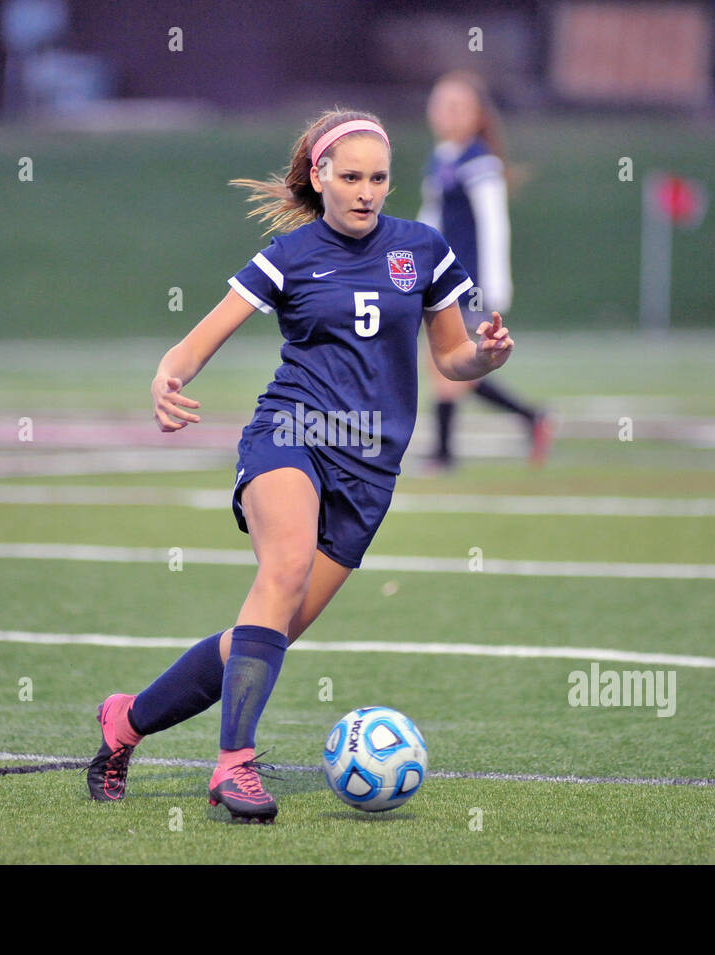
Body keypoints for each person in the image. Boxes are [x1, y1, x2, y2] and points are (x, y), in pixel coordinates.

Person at [87, 108, 515, 823]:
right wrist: (168, 377)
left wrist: (486, 355)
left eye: (378, 177)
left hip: (370, 472)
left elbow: (451, 355)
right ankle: (234, 765)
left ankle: (126, 720)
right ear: (319, 177)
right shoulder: (289, 256)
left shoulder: (424, 249)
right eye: (350, 176)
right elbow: (199, 340)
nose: (366, 190)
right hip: (290, 431)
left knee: (264, 633)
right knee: (280, 572)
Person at [417, 70, 551, 469]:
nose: (446, 113)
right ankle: (533, 418)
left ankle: (442, 454)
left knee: (447, 362)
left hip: (466, 281)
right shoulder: (440, 158)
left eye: (457, 106)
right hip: (438, 280)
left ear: (477, 116)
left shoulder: (480, 161)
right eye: (441, 104)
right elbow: (429, 221)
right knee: (453, 366)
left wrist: (494, 285)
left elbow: (494, 224)